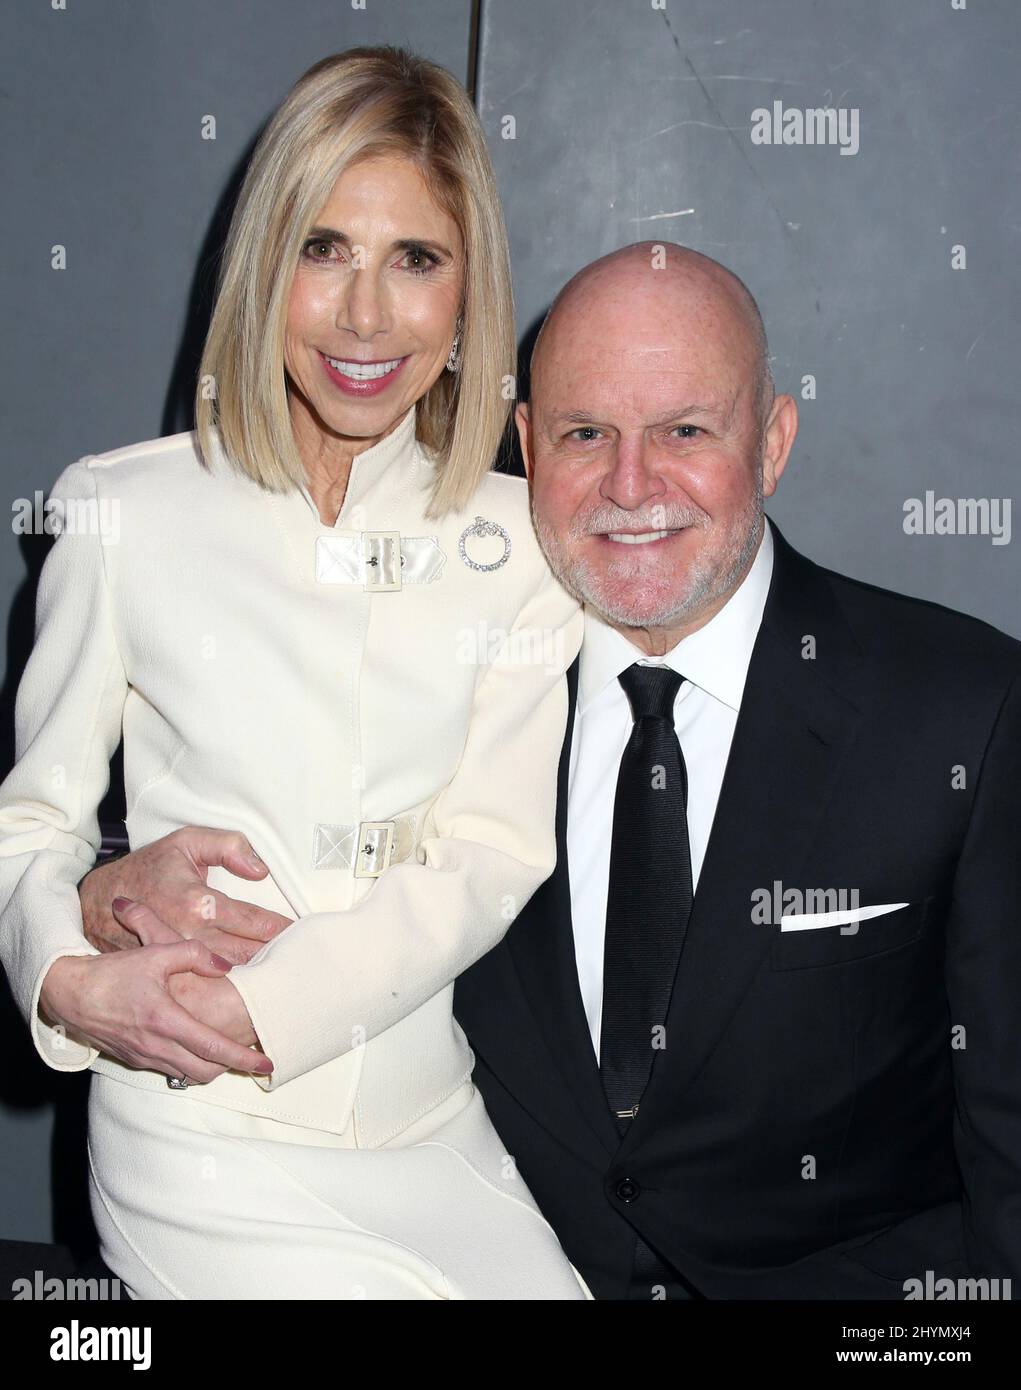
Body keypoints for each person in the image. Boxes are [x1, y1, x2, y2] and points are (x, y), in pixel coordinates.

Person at [84, 241, 1021, 1300]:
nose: (631, 486)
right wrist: (102, 889)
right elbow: (256, 827)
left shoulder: (960, 711)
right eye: (585, 433)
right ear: (525, 443)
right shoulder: (439, 680)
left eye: (683, 431)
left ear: (771, 440)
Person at [0, 46, 590, 1301]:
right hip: (192, 1126)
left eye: (414, 261)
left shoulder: (518, 546)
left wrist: (272, 1011)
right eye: (324, 250)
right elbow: (31, 822)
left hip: (426, 1123)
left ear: (466, 287)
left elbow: (491, 856)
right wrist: (69, 972)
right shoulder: (121, 509)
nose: (366, 318)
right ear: (264, 265)